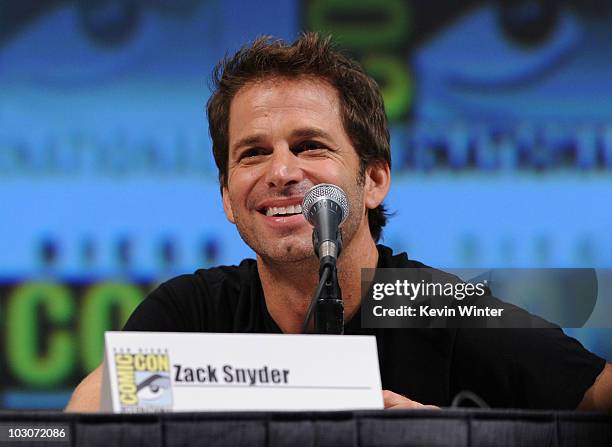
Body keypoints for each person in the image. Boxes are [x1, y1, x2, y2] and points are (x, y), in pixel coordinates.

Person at [66, 33, 612, 412]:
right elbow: (73, 426)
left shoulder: (424, 303)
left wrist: (455, 437)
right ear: (228, 200)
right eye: (252, 154)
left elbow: (592, 397)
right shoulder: (194, 311)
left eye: (309, 146)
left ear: (373, 181)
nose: (281, 172)